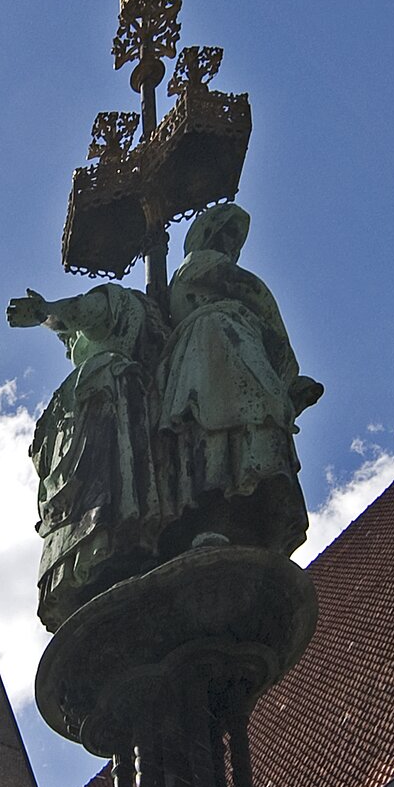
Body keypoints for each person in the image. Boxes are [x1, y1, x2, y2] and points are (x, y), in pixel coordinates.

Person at [157, 203, 321, 556]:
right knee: (224, 431)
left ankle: (255, 521)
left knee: (253, 430)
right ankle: (223, 519)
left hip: (235, 349)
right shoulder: (198, 263)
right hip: (218, 349)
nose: (233, 242)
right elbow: (254, 292)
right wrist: (286, 363)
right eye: (227, 231)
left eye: (238, 236)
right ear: (207, 232)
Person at [6, 282, 165, 629]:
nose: (69, 351)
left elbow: (82, 310)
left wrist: (45, 311)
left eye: (70, 343)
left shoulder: (114, 306)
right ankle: (93, 549)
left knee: (96, 491)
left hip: (101, 403)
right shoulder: (122, 347)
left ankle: (95, 551)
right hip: (103, 403)